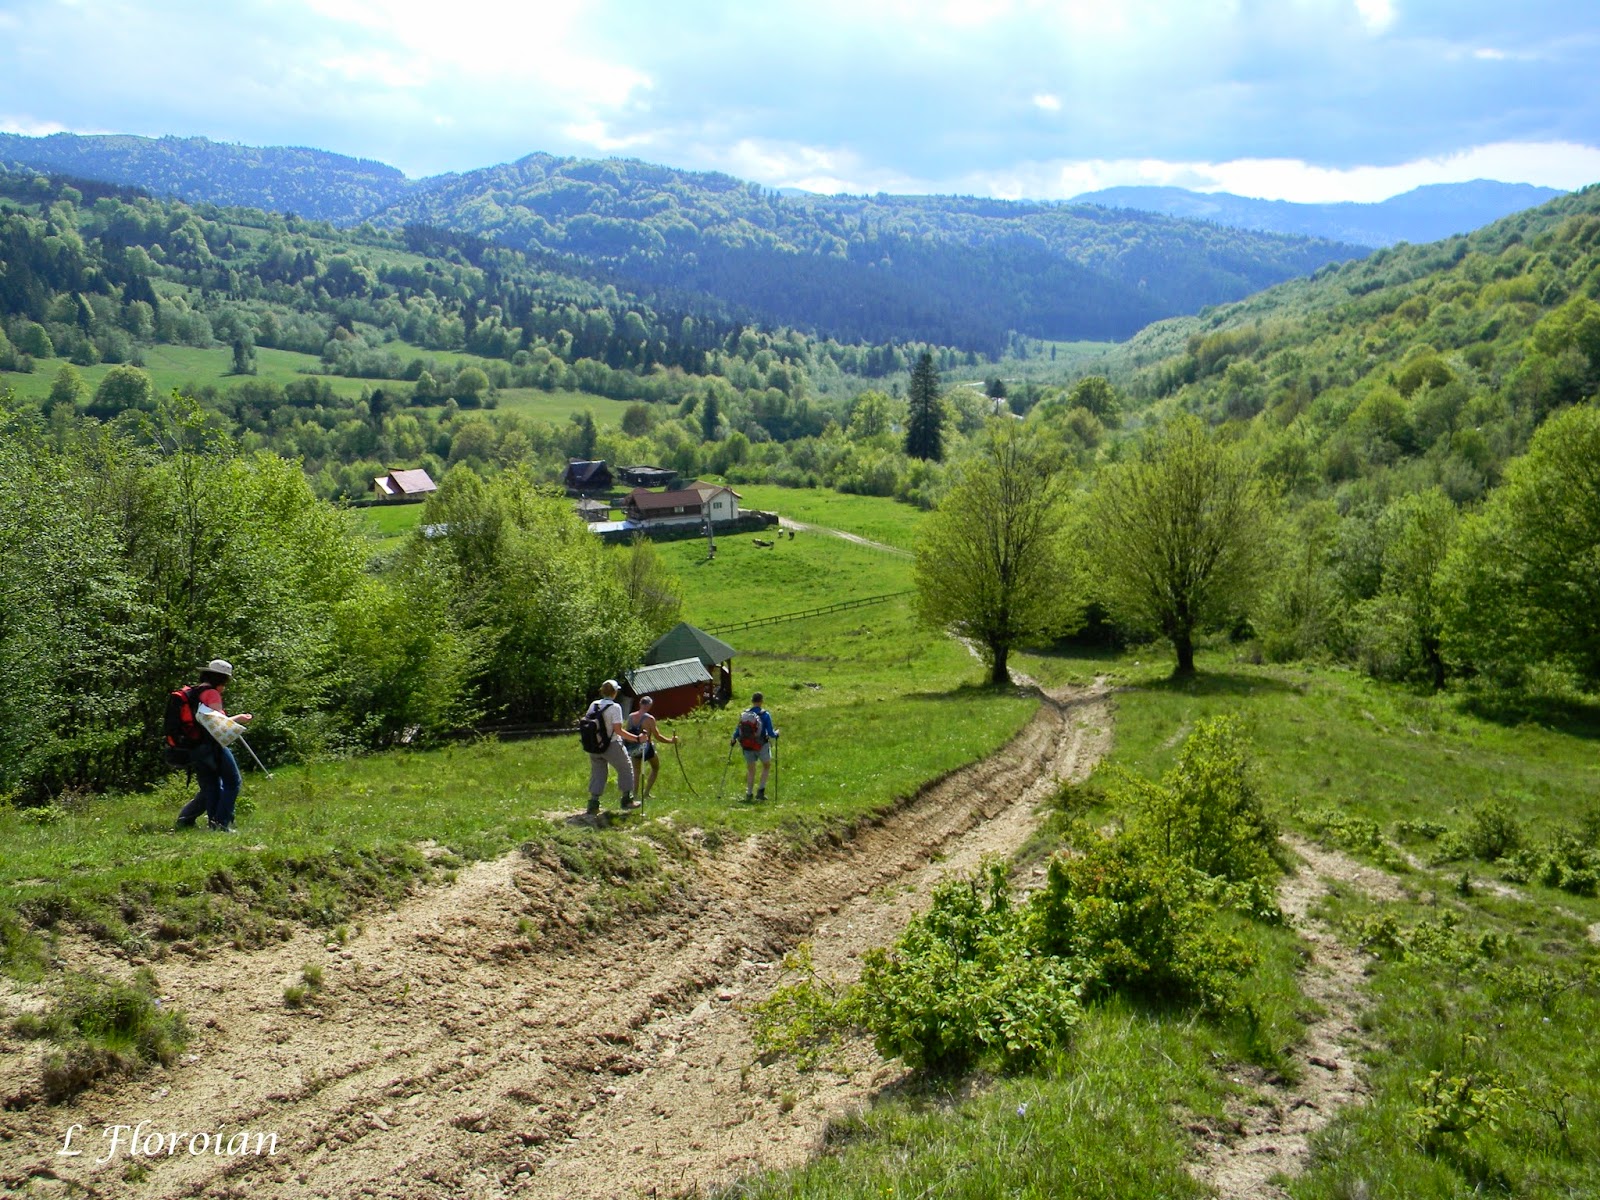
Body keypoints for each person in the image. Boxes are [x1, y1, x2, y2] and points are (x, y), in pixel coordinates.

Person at [175, 658, 252, 833]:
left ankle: (213, 824)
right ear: (222, 678)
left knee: (211, 785)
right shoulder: (212, 694)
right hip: (211, 745)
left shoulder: (194, 692)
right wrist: (239, 718)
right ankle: (221, 823)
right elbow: (217, 724)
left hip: (194, 745)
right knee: (233, 782)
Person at [583, 680, 642, 818]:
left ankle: (593, 803)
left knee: (598, 772)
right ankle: (627, 799)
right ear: (614, 692)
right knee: (625, 768)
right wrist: (637, 739)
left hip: (593, 745)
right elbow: (618, 730)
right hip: (611, 744)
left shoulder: (594, 704)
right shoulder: (615, 707)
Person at [624, 695, 680, 804]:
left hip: (633, 747)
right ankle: (646, 793)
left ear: (640, 704)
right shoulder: (649, 719)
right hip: (646, 747)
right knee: (655, 767)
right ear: (649, 705)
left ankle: (634, 795)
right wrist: (671, 741)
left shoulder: (631, 717)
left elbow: (627, 733)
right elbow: (657, 736)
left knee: (636, 771)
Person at [731, 691, 778, 802]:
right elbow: (771, 733)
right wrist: (777, 734)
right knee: (766, 766)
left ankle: (749, 794)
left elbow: (738, 730)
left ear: (752, 701)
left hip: (747, 746)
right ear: (761, 701)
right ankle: (760, 792)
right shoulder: (765, 715)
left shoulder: (745, 715)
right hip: (761, 745)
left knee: (751, 770)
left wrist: (733, 738)